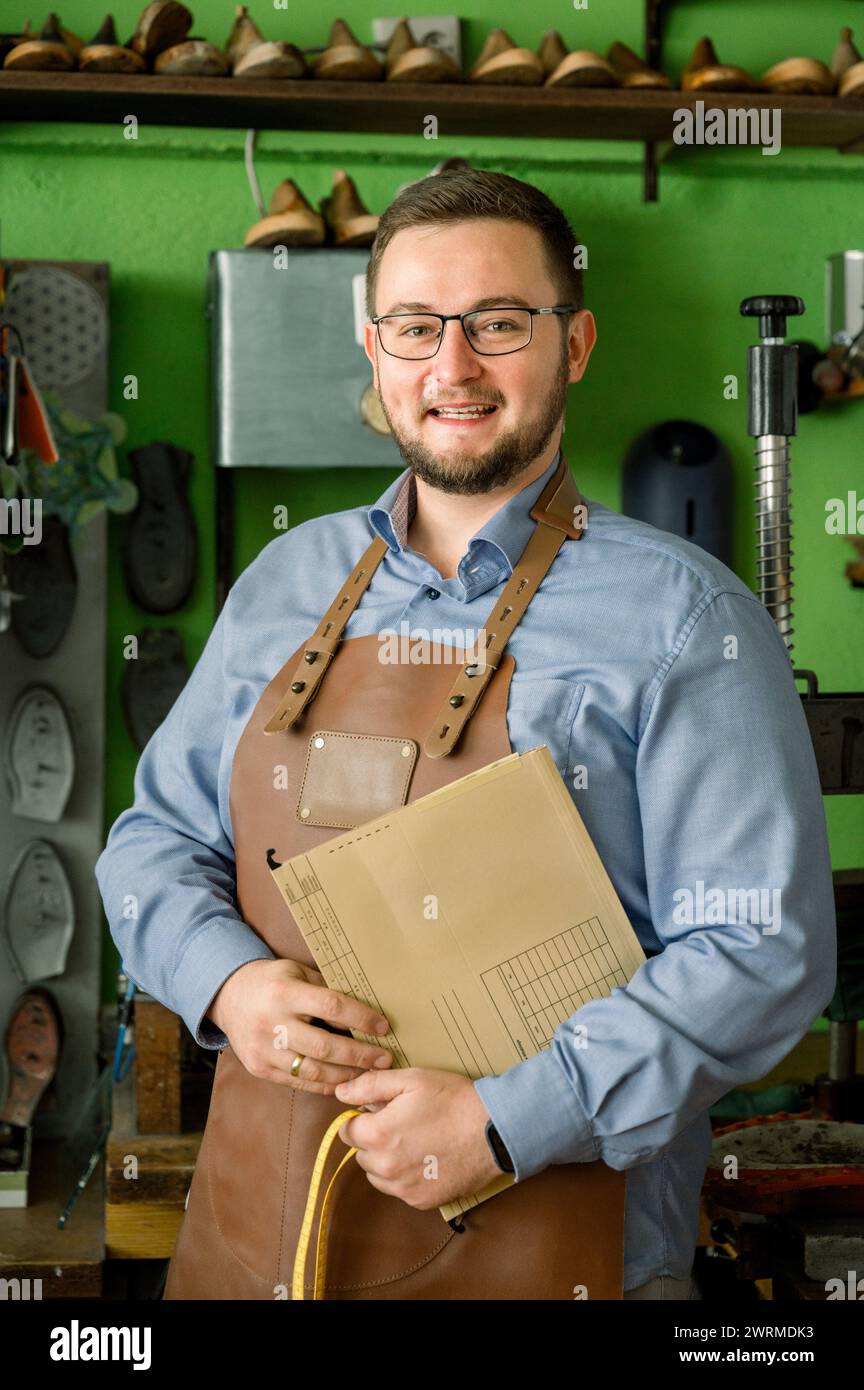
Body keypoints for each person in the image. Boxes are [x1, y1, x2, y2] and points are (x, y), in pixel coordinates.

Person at [96, 168, 836, 1301]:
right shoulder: (284, 583)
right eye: (416, 326)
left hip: (557, 1257)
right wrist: (231, 986)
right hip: (258, 1249)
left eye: (498, 323)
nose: (452, 368)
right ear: (374, 344)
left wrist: (506, 1117)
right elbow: (151, 843)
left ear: (574, 344)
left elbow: (762, 949)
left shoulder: (687, 619)